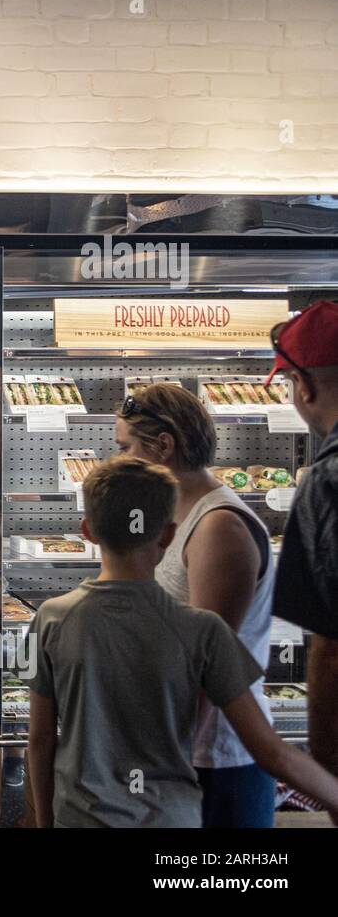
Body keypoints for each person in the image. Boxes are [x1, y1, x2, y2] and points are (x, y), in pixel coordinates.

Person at [26, 456, 338, 827]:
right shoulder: (204, 630)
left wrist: (44, 820)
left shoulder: (50, 619)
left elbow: (41, 739)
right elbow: (272, 752)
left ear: (87, 531)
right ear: (169, 534)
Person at [115, 381, 277, 827]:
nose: (117, 461)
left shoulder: (218, 528)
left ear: (163, 446)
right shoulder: (178, 517)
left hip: (211, 763)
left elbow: (205, 669)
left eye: (125, 448)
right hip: (179, 754)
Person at [267, 300, 338, 780]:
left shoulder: (328, 479)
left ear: (305, 386)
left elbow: (331, 645)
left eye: (290, 384)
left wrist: (327, 765)